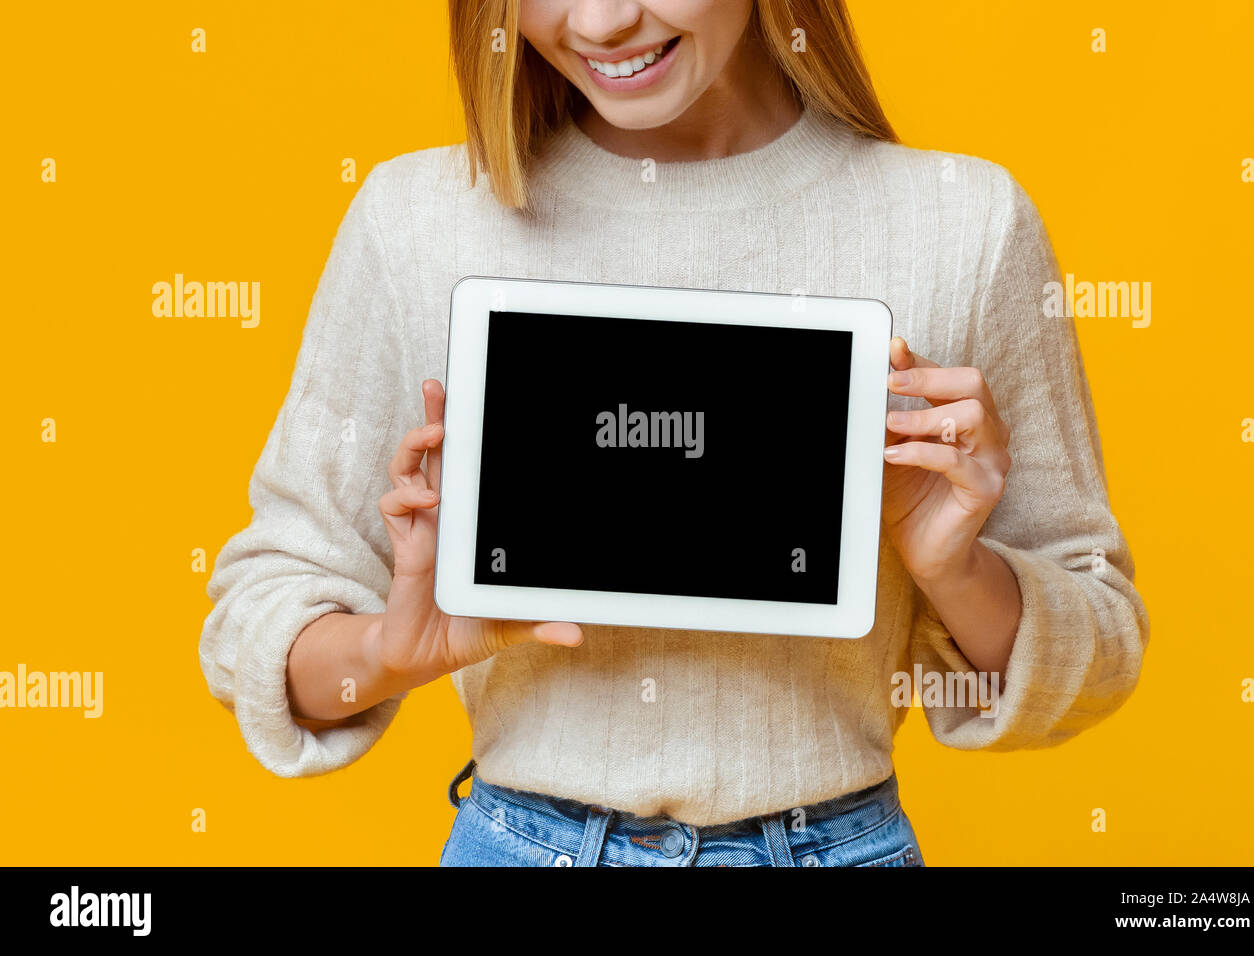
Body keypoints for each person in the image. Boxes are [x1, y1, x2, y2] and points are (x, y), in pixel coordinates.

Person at [199, 0, 1150, 867]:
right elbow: (257, 621)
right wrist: (392, 654)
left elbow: (1102, 651)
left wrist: (953, 567)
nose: (603, 21)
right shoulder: (417, 223)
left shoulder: (960, 223)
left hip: (837, 844)